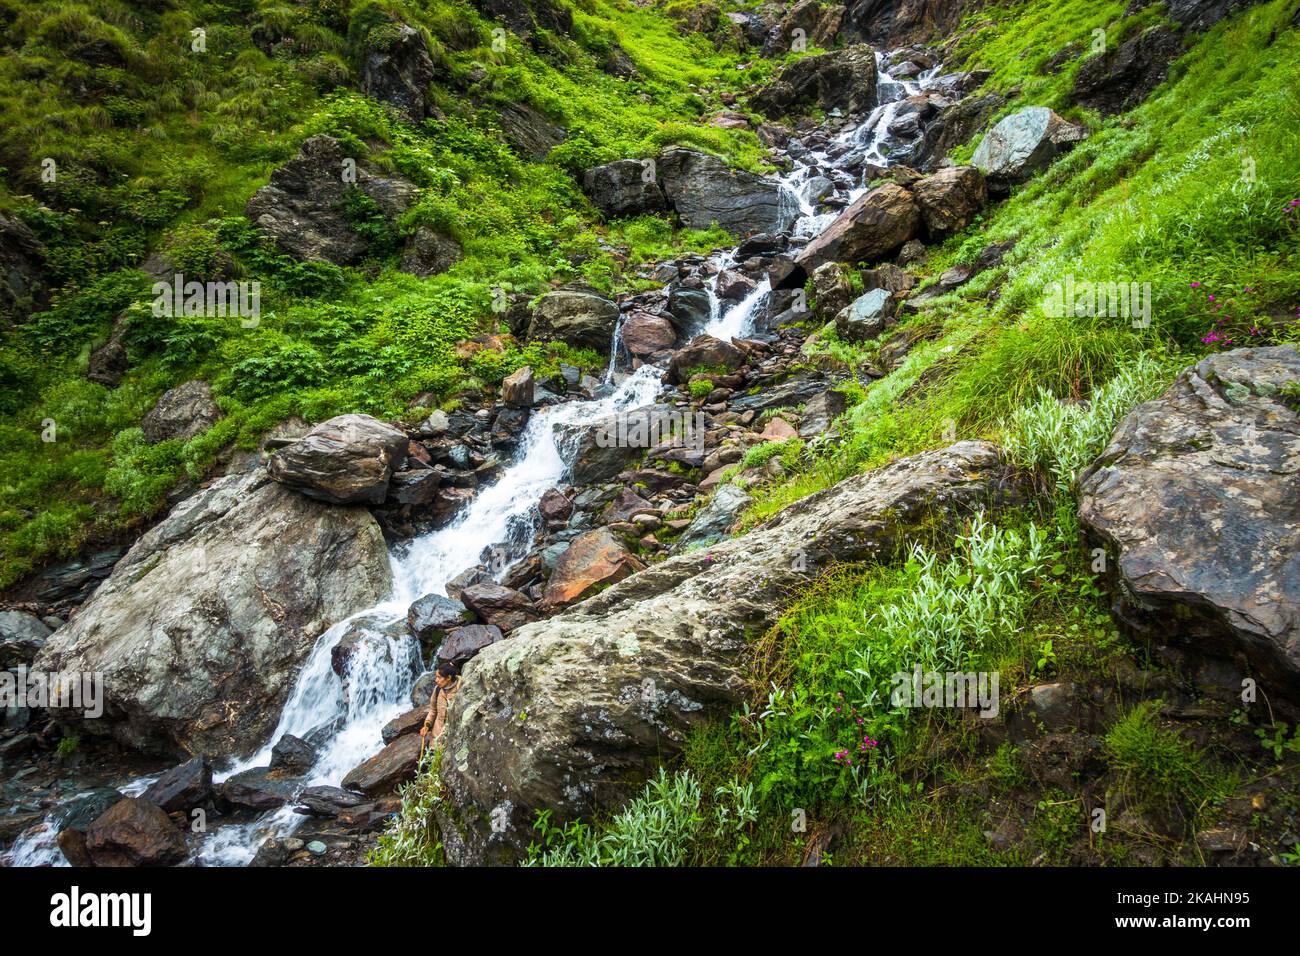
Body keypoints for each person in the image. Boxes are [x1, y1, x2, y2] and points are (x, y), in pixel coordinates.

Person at [419, 662, 460, 749]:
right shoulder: (437, 689)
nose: (436, 680)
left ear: (448, 678)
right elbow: (433, 710)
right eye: (436, 677)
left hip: (451, 738)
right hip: (436, 737)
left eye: (439, 677)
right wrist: (427, 725)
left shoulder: (460, 690)